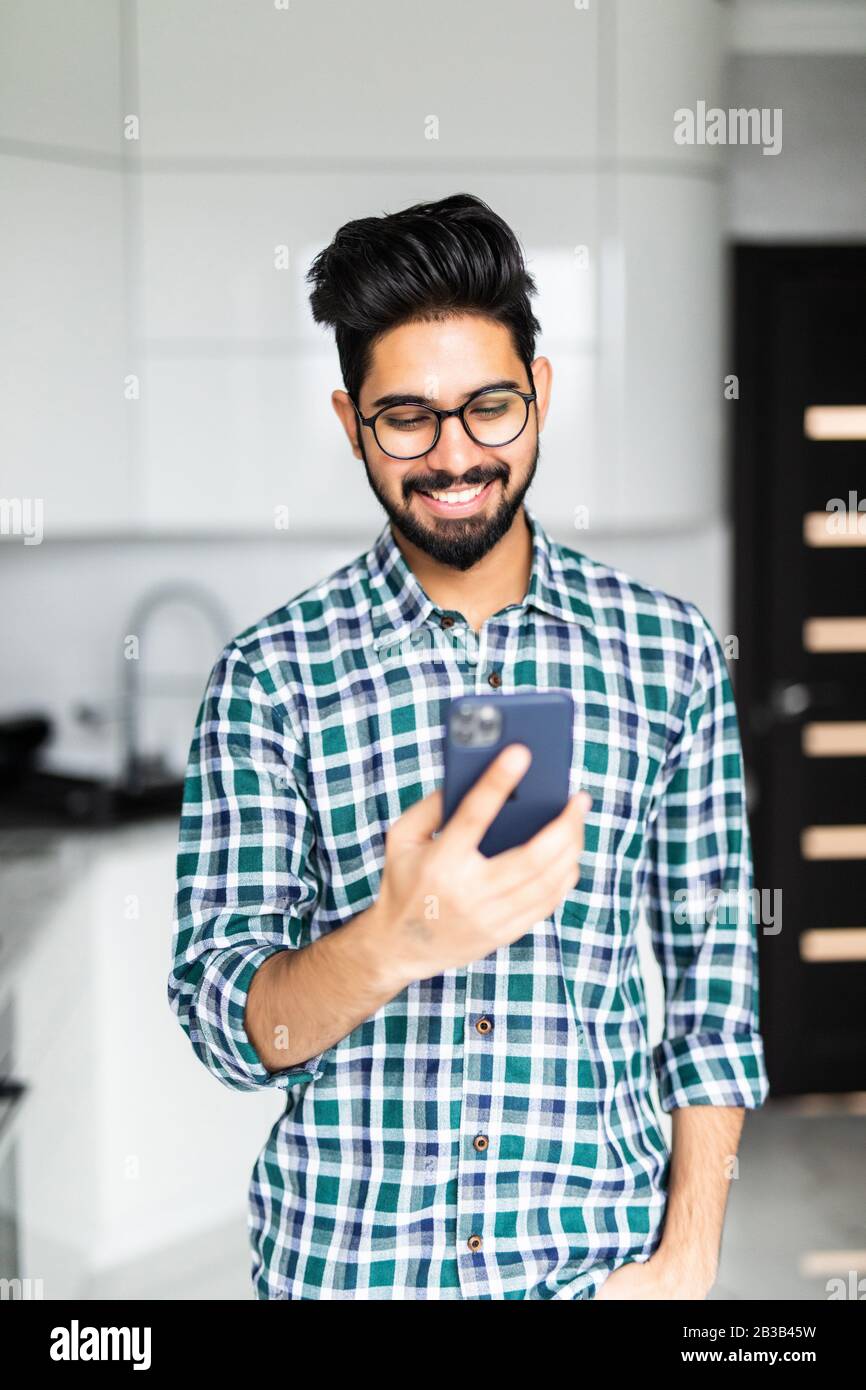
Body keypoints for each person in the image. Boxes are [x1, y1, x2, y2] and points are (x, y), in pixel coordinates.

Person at [168, 193, 769, 1301]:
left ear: (539, 395)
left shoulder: (668, 653)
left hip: (597, 1275)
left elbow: (712, 984)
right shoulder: (268, 679)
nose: (453, 457)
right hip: (347, 1273)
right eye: (406, 418)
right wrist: (390, 939)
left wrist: (687, 1258)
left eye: (488, 407)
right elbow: (226, 1026)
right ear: (351, 422)